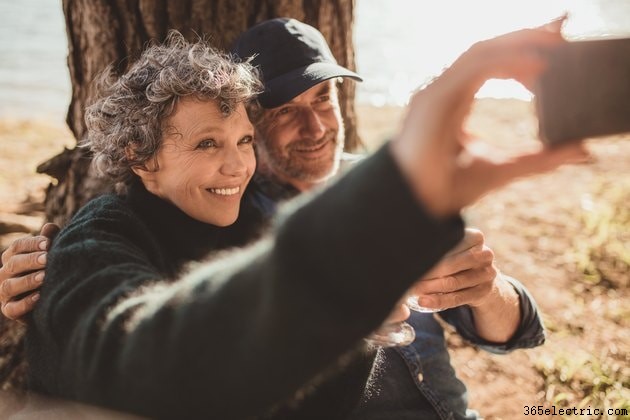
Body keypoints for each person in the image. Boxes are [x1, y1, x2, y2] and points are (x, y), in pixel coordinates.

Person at [0, 18, 575, 420]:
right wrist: (343, 296)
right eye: (206, 143)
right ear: (140, 158)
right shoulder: (168, 228)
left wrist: (481, 288)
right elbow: (151, 361)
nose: (235, 164)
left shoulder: (258, 212)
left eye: (241, 140)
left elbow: (515, 332)